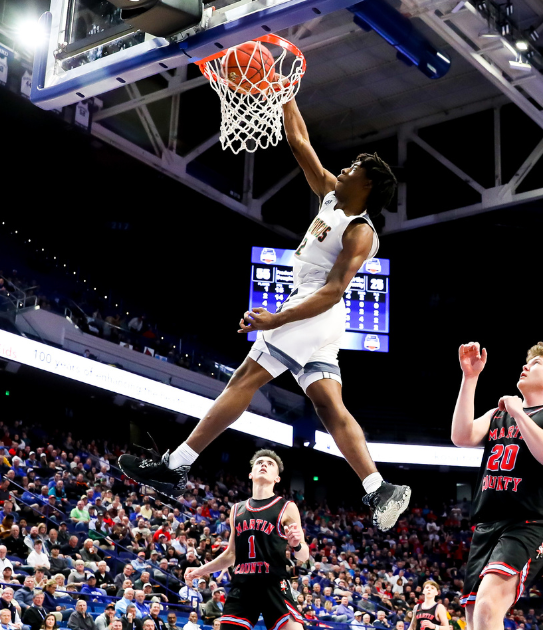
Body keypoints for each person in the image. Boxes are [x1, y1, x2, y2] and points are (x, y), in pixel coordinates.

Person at [117, 123, 410, 530]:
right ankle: (380, 488)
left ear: (368, 186)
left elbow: (334, 291)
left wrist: (277, 319)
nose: (344, 169)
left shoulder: (360, 231)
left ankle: (175, 466)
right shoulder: (330, 198)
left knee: (243, 379)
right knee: (328, 406)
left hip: (312, 311)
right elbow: (299, 142)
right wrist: (284, 84)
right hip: (318, 321)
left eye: (355, 168)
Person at [449, 342, 543, 630]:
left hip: (527, 523)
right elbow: (461, 436)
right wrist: (470, 378)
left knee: (487, 606)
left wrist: (520, 413)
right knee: (473, 618)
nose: (525, 366)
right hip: (486, 525)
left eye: (535, 364)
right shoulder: (499, 413)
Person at [183, 451, 308, 630]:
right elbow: (231, 554)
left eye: (270, 464)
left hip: (273, 583)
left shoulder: (287, 507)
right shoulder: (237, 509)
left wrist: (296, 545)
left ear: (277, 479)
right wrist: (200, 571)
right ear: (250, 474)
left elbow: (304, 554)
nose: (264, 465)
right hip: (243, 585)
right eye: (260, 462)